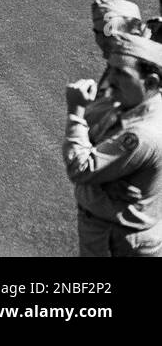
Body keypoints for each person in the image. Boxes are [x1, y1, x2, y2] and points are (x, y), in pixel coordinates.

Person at [64, 32, 162, 256]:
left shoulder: (141, 135)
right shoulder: (134, 105)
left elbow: (80, 169)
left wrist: (75, 113)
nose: (110, 80)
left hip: (116, 240)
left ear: (151, 82)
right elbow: (94, 134)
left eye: (121, 73)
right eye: (111, 69)